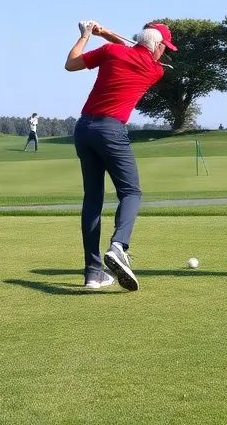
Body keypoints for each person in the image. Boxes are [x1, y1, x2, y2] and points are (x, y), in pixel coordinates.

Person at [65, 20, 175, 291]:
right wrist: (108, 35)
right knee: (131, 193)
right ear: (157, 46)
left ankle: (93, 273)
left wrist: (88, 35)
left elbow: (72, 63)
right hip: (112, 131)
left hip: (83, 128)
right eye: (165, 47)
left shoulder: (111, 53)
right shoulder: (155, 70)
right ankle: (118, 246)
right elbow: (134, 49)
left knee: (93, 198)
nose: (165, 53)